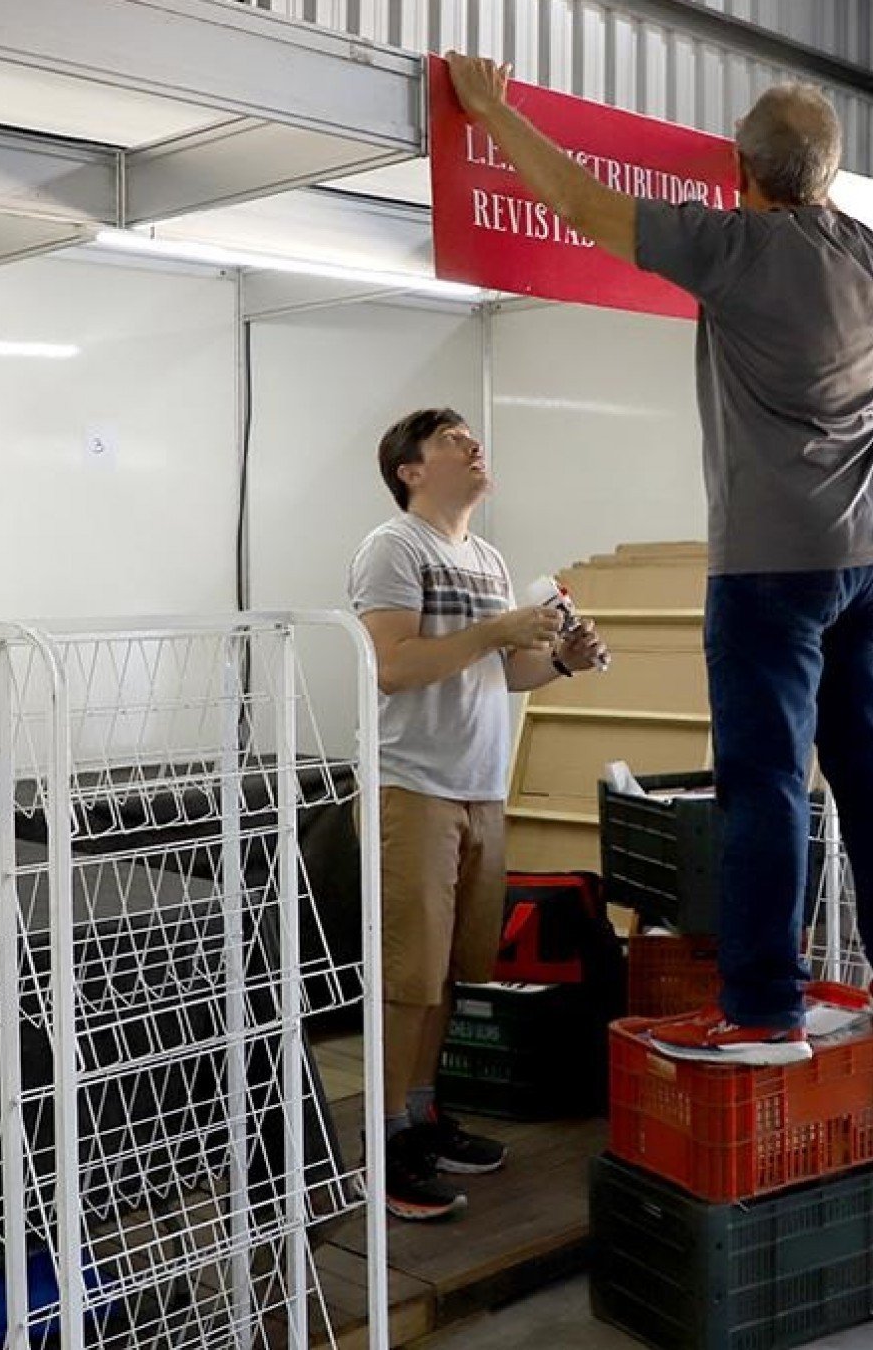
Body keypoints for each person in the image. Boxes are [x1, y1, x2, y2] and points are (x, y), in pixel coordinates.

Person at [442, 53, 873, 1066]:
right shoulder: (865, 249)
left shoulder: (734, 248)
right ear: (831, 177)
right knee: (867, 758)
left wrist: (493, 108)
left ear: (736, 175)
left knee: (761, 779)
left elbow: (585, 206)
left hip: (774, 564)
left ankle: (763, 1011)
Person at [348, 406, 609, 1220]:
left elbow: (505, 673)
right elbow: (391, 666)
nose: (472, 445)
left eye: (472, 436)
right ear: (410, 471)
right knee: (407, 978)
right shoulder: (393, 548)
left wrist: (559, 660)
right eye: (451, 440)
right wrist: (499, 628)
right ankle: (383, 1148)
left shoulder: (488, 558)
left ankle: (423, 1114)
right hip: (411, 787)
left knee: (455, 973)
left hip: (478, 787)